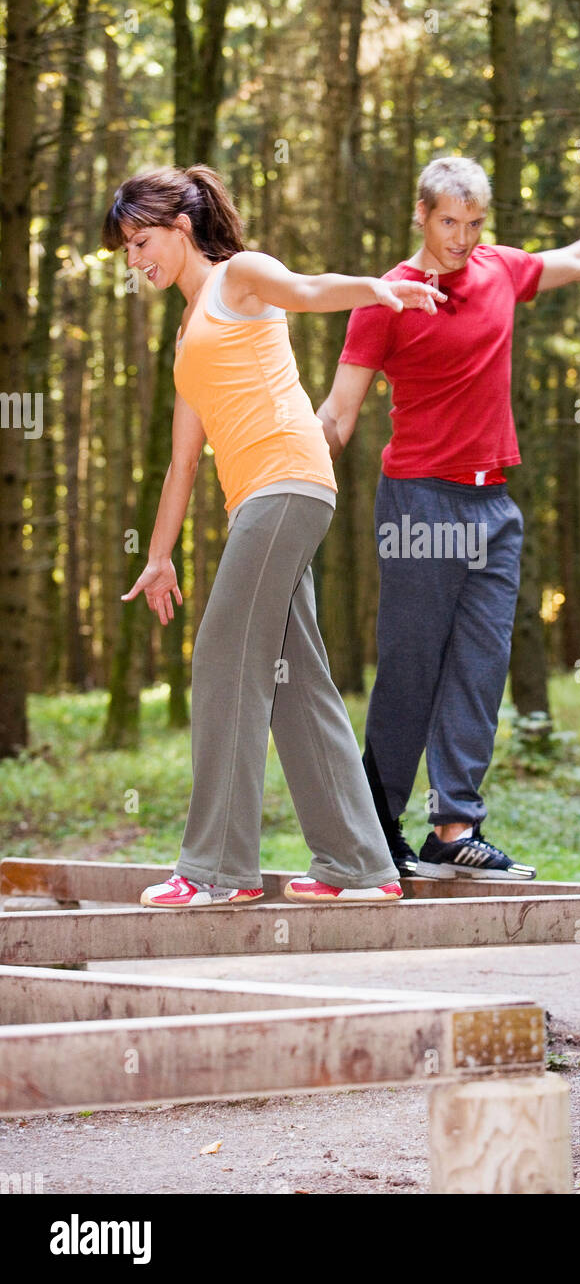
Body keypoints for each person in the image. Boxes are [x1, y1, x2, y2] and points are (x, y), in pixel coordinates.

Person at [318, 153, 580, 880]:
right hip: (421, 501)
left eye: (474, 224)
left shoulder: (499, 270)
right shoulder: (386, 297)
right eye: (448, 222)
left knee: (479, 666)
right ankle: (375, 828)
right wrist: (289, 480)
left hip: (493, 505)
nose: (462, 237)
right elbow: (339, 416)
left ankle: (454, 827)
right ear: (421, 214)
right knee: (412, 665)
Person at [101, 163, 444, 907]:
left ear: (182, 227)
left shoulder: (240, 278)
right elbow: (182, 463)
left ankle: (217, 870)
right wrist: (158, 557)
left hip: (288, 484)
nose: (136, 260)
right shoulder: (191, 334)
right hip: (262, 500)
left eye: (142, 241)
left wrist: (377, 290)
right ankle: (360, 864)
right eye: (127, 250)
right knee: (297, 682)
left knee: (224, 658)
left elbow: (312, 287)